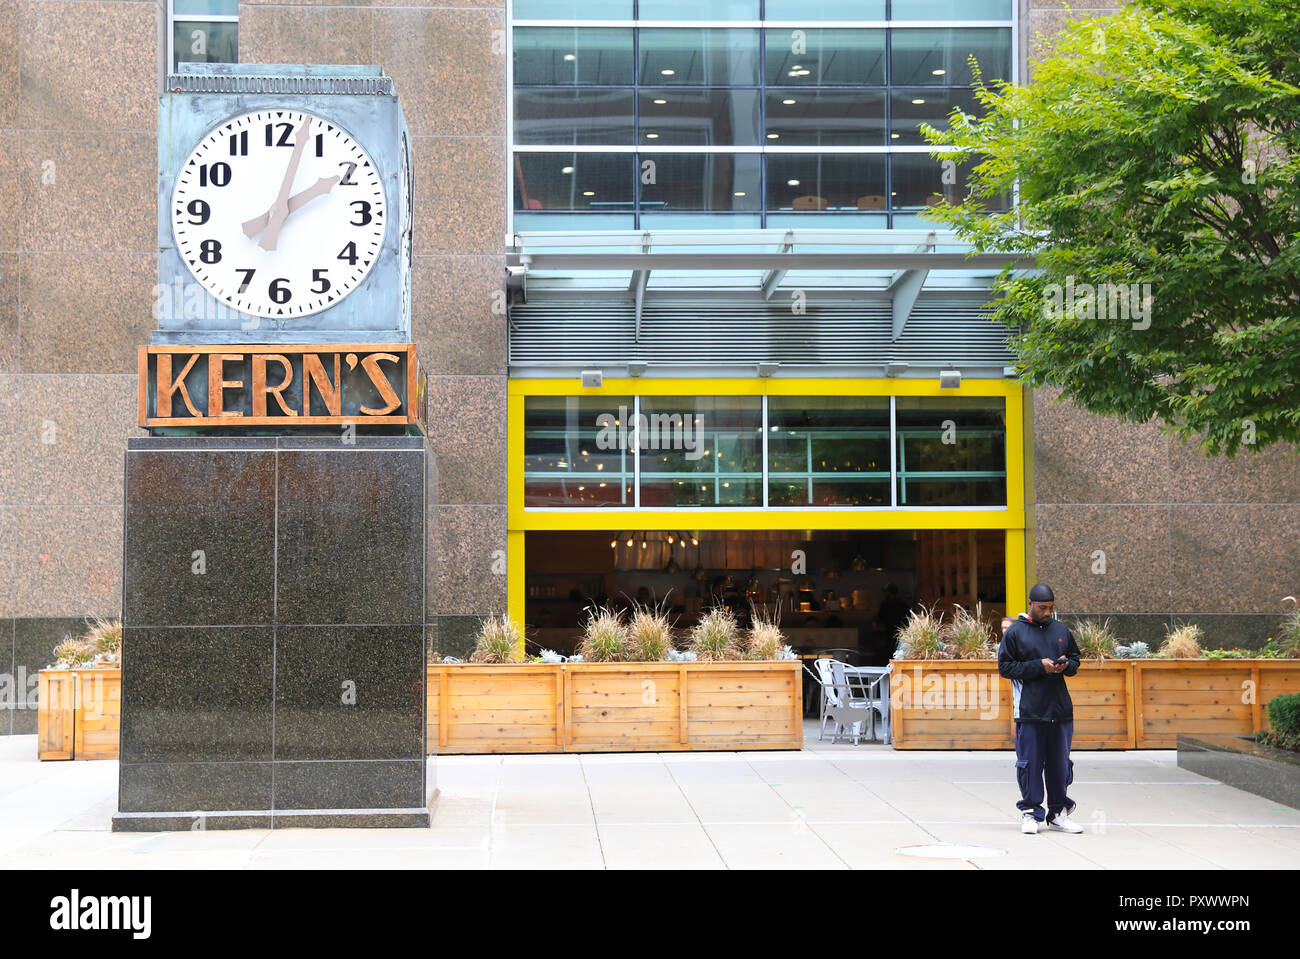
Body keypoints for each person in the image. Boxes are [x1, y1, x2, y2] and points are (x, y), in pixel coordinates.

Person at [997, 584, 1084, 835]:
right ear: (1031, 604)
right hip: (1030, 710)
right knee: (1030, 764)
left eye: (1051, 608)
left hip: (1060, 710)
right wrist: (1039, 666)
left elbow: (1076, 660)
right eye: (1043, 608)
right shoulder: (1015, 633)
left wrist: (1066, 665)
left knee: (1060, 764)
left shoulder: (1061, 630)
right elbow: (1005, 668)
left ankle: (1057, 813)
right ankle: (1030, 813)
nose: (1047, 612)